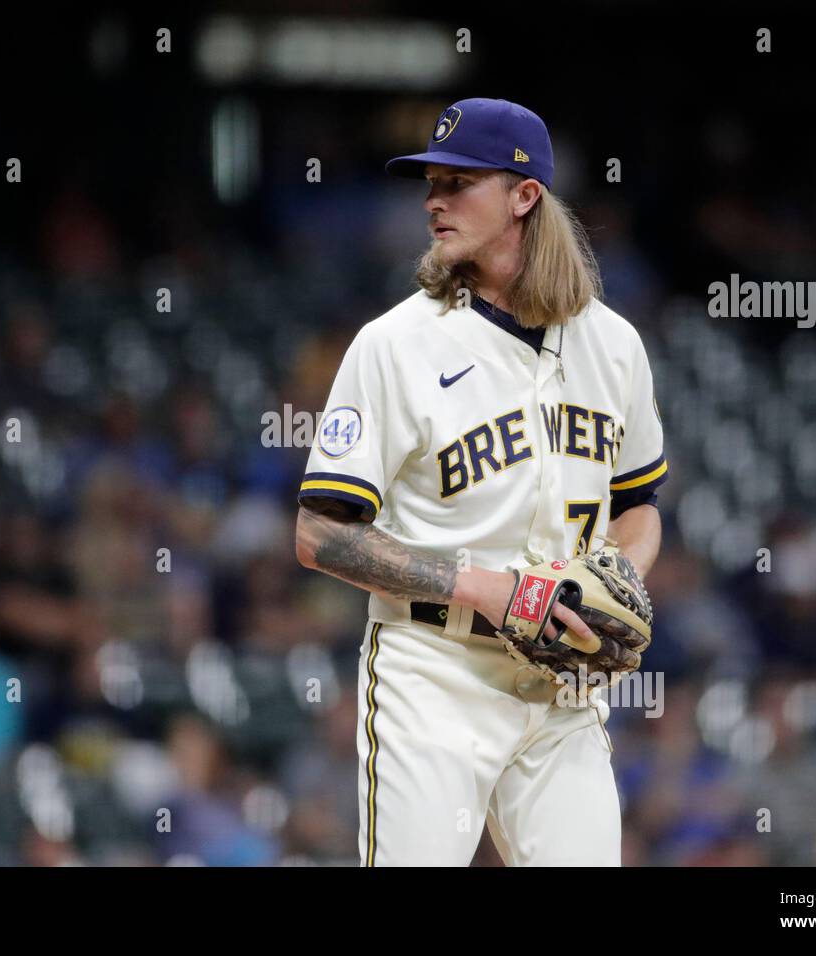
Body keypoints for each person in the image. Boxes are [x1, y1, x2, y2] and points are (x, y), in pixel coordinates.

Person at [294, 98, 667, 866]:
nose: (434, 199)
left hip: (561, 689)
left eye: (460, 181)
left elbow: (639, 507)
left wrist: (618, 573)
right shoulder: (394, 345)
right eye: (431, 180)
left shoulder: (614, 346)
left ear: (525, 195)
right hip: (433, 673)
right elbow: (320, 534)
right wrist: (490, 589)